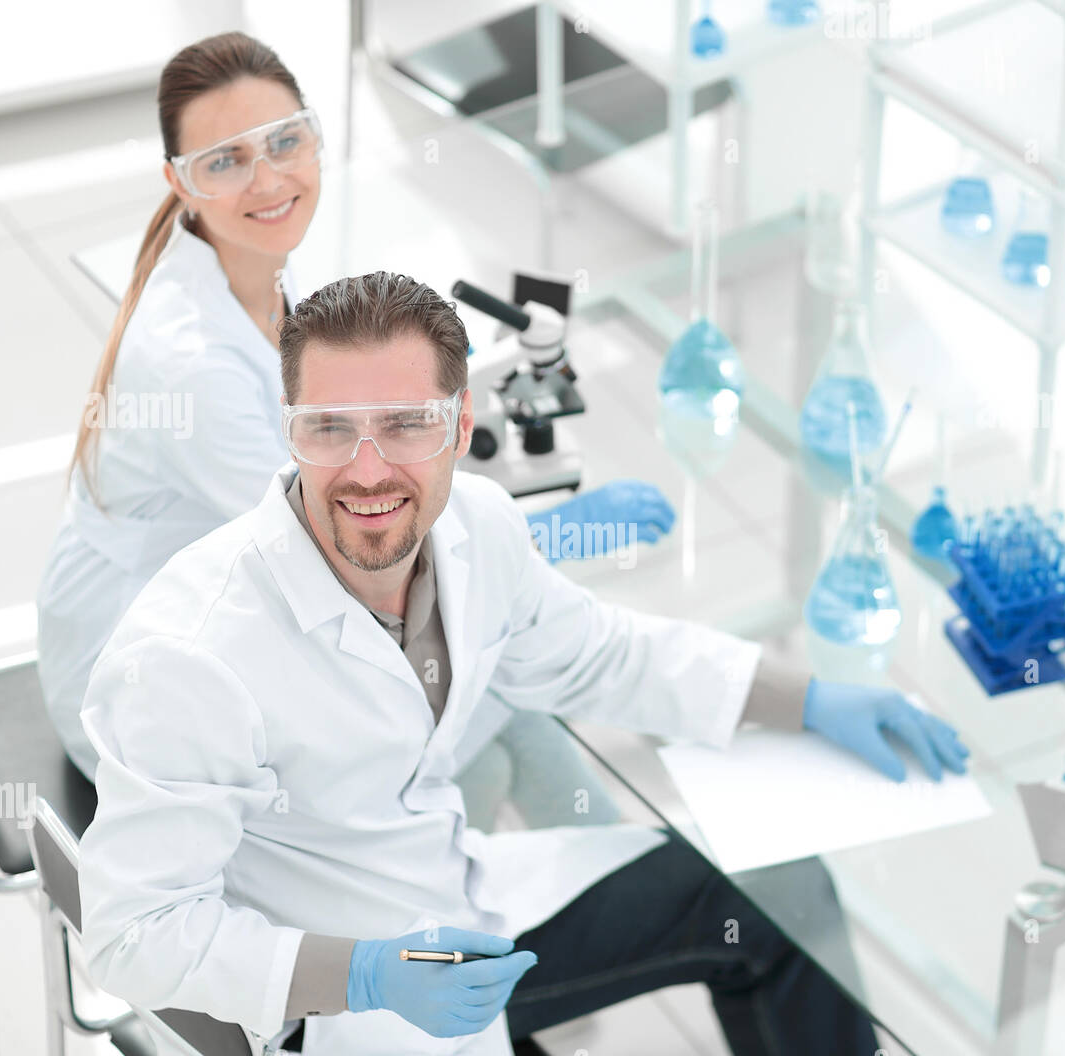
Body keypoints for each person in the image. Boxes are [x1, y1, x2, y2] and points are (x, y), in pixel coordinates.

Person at [77, 271, 970, 1056]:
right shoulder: (193, 655)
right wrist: (361, 973)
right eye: (330, 428)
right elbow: (131, 936)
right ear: (290, 431)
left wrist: (804, 698)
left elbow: (601, 656)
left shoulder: (479, 527)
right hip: (339, 1030)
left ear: (462, 427)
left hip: (470, 909)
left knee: (780, 895)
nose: (367, 467)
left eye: (406, 423)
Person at [35, 32, 671, 828]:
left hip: (229, 627)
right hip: (143, 698)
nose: (270, 179)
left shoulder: (258, 266)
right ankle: (605, 902)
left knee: (486, 721)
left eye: (285, 141)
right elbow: (339, 552)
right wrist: (543, 534)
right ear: (181, 181)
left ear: (315, 134)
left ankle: (612, 894)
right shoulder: (191, 370)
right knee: (474, 714)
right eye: (226, 161)